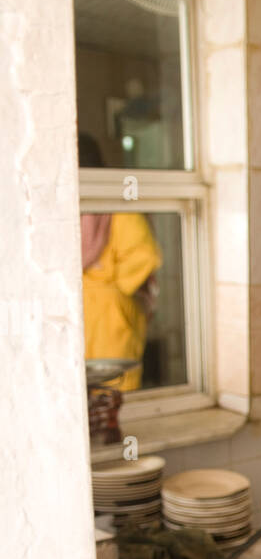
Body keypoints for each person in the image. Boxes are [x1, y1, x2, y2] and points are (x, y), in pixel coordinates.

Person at [78, 132, 162, 391]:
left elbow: (145, 254)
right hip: (79, 315)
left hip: (112, 317)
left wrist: (111, 286)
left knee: (114, 394)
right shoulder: (62, 209)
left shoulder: (117, 208)